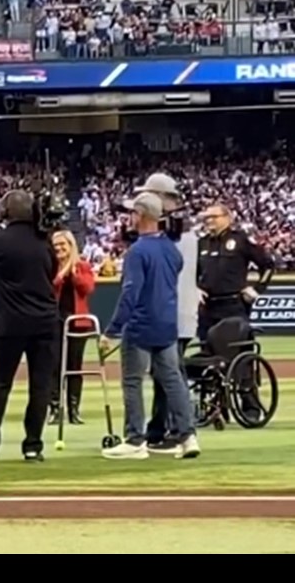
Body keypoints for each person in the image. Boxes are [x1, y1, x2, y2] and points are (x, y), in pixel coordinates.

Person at [100, 192, 200, 461]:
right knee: (173, 380)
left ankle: (135, 439)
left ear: (141, 215)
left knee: (132, 382)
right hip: (167, 325)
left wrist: (112, 330)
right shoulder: (170, 248)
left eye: (132, 213)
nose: (129, 218)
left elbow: (131, 293)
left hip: (141, 326)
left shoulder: (138, 251)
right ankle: (187, 436)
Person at [0, 190, 59, 464]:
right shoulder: (45, 241)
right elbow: (52, 272)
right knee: (40, 386)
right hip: (45, 322)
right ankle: (33, 447)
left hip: (12, 324)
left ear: (7, 212)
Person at [132, 174, 201, 453]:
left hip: (171, 315)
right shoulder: (182, 232)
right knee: (166, 377)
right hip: (175, 313)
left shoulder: (174, 235)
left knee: (171, 377)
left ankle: (179, 431)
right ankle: (160, 429)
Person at [196, 202, 274, 422]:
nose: (209, 221)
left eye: (213, 217)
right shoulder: (201, 244)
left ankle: (250, 407)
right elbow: (192, 273)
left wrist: (257, 289)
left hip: (234, 306)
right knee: (208, 358)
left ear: (227, 218)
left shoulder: (240, 241)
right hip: (209, 308)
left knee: (241, 358)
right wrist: (195, 289)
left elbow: (267, 265)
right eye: (206, 217)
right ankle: (214, 407)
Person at [49, 229, 96, 426]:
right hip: (54, 322)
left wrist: (74, 274)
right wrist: (61, 274)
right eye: (56, 245)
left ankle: (74, 409)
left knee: (75, 367)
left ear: (71, 246)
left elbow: (88, 288)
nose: (59, 248)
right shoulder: (50, 267)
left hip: (78, 323)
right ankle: (54, 409)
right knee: (54, 366)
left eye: (63, 245)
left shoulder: (82, 266)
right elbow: (49, 287)